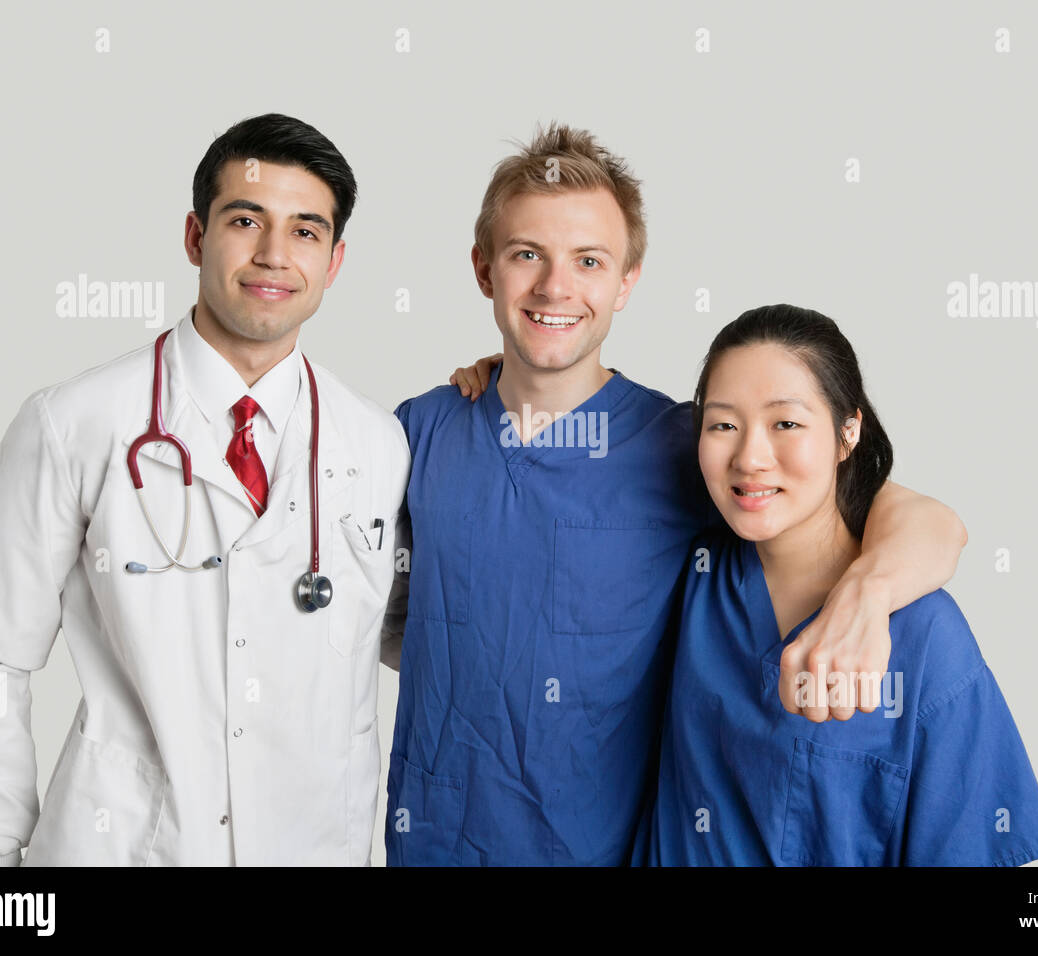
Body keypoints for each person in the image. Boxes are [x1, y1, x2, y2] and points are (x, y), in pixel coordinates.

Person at [382, 124, 969, 865]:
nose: (555, 287)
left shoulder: (688, 445)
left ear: (626, 281)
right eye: (526, 254)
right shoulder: (421, 431)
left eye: (588, 261)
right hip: (430, 845)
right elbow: (390, 622)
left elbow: (923, 520)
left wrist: (867, 595)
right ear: (483, 268)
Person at [0, 113, 410, 866]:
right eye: (246, 220)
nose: (274, 254)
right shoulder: (75, 422)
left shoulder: (378, 442)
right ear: (194, 236)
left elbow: (412, 637)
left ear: (335, 260)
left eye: (306, 231)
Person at [641, 304, 1038, 865]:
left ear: (848, 432)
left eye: (786, 423)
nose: (750, 457)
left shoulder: (927, 635)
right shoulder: (691, 571)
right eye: (723, 425)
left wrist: (867, 596)